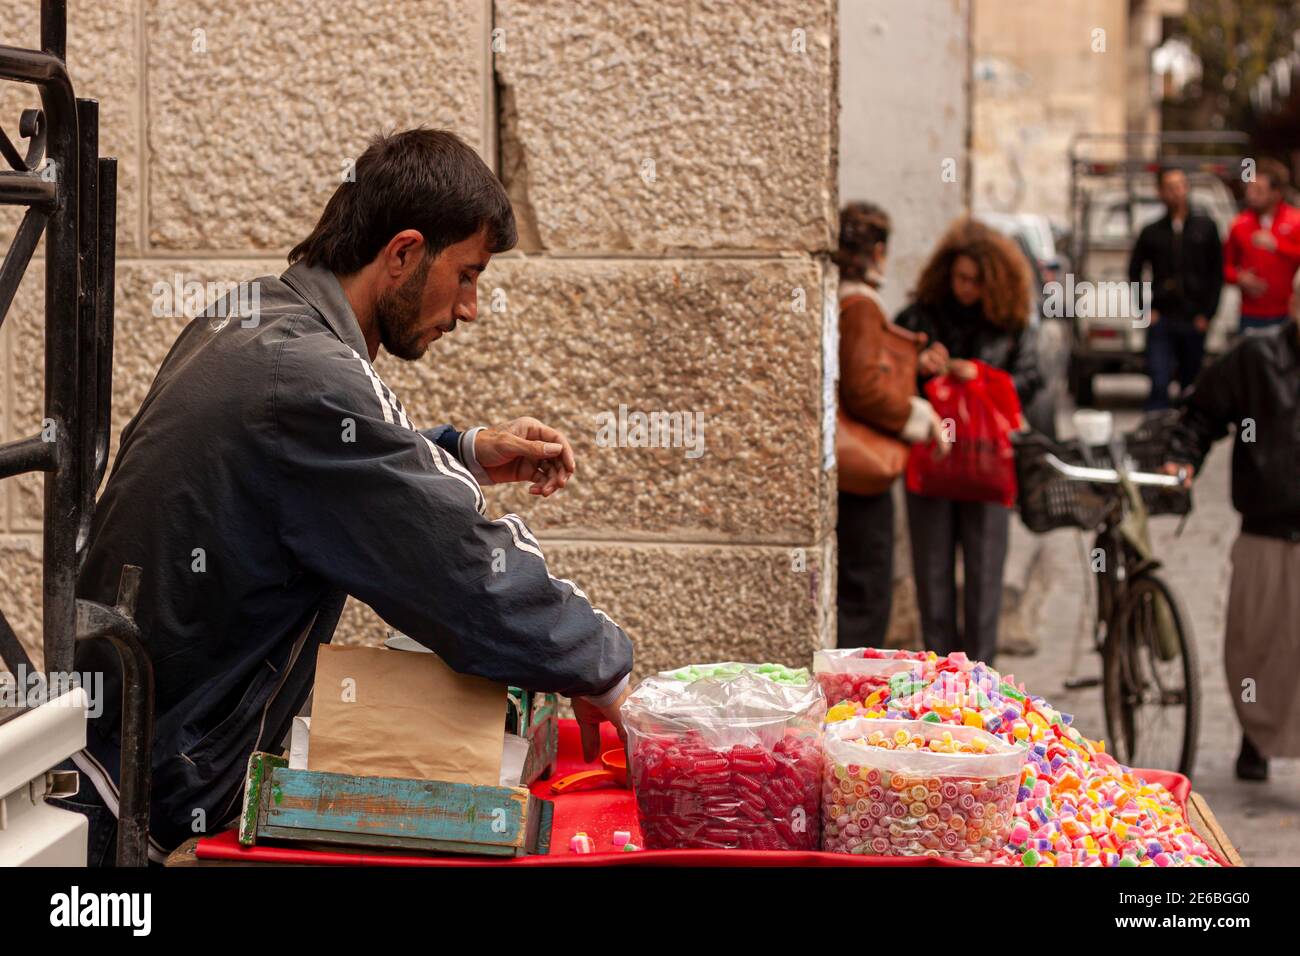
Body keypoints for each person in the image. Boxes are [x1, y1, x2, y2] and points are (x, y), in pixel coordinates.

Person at [51, 129, 634, 865]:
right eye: (468, 274)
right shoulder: (307, 376)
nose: (471, 308)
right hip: (148, 801)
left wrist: (461, 451)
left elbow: (307, 475)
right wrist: (607, 669)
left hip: (117, 750)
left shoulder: (258, 312)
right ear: (403, 254)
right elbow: (457, 561)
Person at [1165, 276, 1300, 782]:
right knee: (1256, 640)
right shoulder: (1255, 357)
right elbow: (1202, 413)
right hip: (1266, 524)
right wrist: (1182, 458)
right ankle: (1256, 737)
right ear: (1293, 305)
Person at [895, 218, 1040, 667]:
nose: (966, 288)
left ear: (993, 281)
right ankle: (939, 679)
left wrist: (983, 377)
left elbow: (1032, 382)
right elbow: (883, 378)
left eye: (976, 281)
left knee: (983, 579)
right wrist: (918, 366)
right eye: (959, 278)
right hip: (932, 464)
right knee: (932, 580)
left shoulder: (1011, 324)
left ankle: (979, 680)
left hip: (987, 467)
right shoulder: (919, 318)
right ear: (946, 274)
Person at [833, 202, 945, 648]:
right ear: (878, 250)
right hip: (862, 473)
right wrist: (918, 415)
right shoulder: (859, 303)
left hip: (852, 472)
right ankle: (850, 697)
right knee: (866, 592)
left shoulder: (843, 296)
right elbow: (862, 387)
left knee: (861, 587)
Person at [1129, 166, 1223, 409]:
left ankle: (1184, 435)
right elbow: (1134, 271)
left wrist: (1208, 313)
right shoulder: (1151, 231)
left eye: (1180, 186)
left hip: (1194, 318)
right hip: (1163, 318)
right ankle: (1155, 434)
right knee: (1159, 381)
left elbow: (1216, 273)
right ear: (1161, 192)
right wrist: (1145, 310)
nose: (1176, 193)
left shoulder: (1206, 227)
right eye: (1170, 187)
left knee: (1191, 384)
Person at [1223, 158, 1300, 336]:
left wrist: (1277, 245)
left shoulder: (1295, 221)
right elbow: (1224, 267)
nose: (1251, 195)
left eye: (1259, 190)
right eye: (1250, 189)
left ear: (1276, 193)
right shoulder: (1239, 225)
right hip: (1251, 314)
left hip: (1287, 314)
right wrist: (1240, 278)